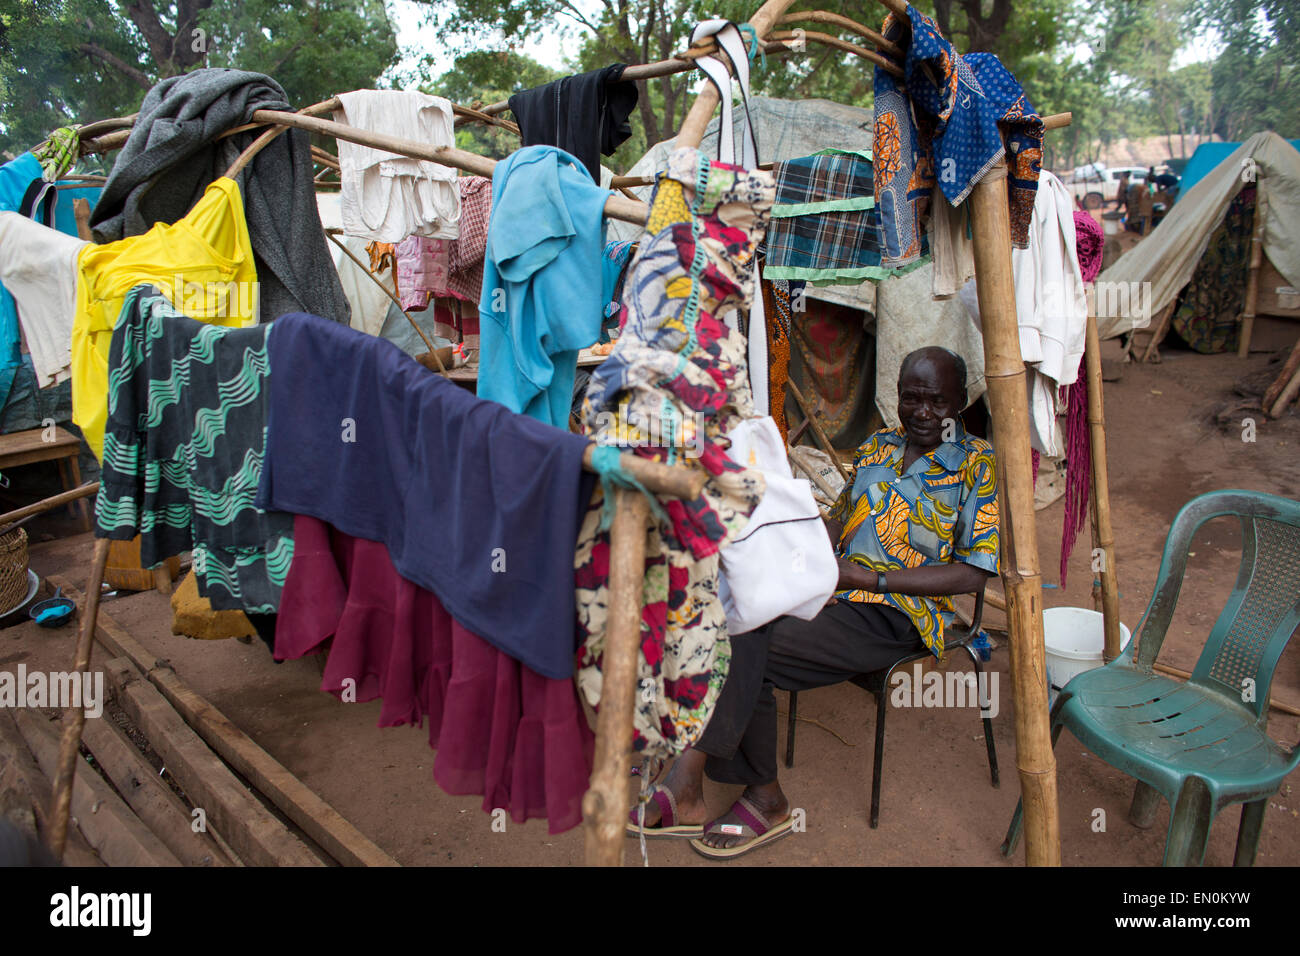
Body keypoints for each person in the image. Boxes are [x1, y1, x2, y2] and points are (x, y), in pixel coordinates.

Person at [626, 346, 1000, 859]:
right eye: (911, 398)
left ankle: (742, 792)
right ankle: (714, 786)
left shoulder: (977, 464)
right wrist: (775, 527)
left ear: (960, 401)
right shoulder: (877, 448)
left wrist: (873, 579)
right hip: (832, 587)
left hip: (900, 612)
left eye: (937, 401)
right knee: (726, 605)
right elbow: (837, 524)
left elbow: (974, 573)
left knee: (743, 640)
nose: (922, 412)